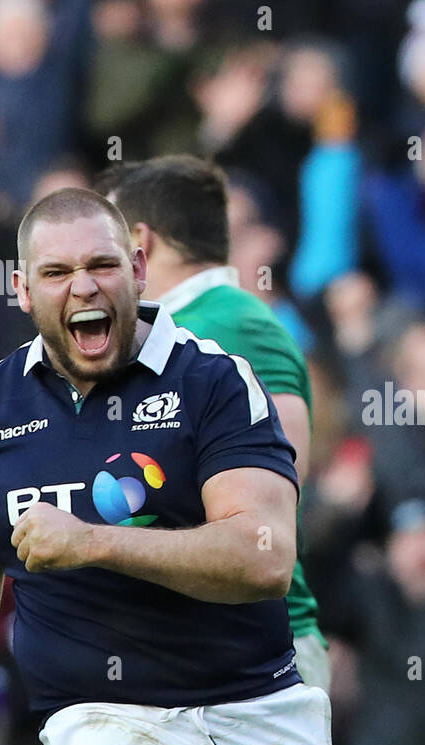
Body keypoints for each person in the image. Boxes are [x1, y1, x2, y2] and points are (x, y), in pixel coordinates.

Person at [0, 187, 353, 745]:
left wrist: (92, 541)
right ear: (22, 290)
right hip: (101, 723)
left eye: (102, 265)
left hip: (256, 708)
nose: (84, 288)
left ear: (138, 270)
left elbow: (262, 557)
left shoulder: (216, 380)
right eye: (57, 273)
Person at [94, 156, 333, 692]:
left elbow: (278, 493)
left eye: (100, 248)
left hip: (252, 652)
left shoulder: (236, 327)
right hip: (187, 646)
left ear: (140, 242)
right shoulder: (168, 332)